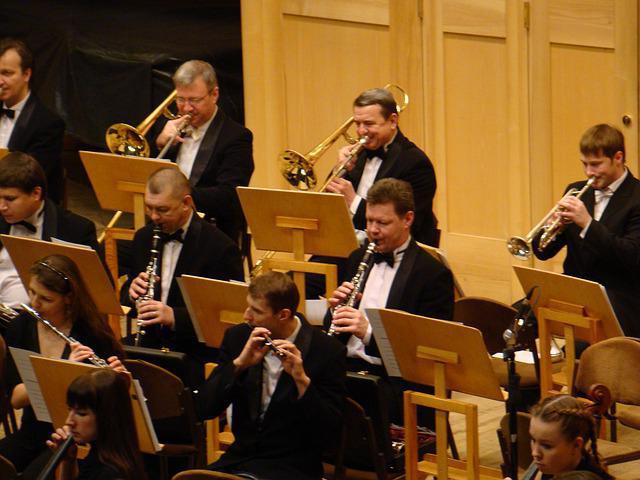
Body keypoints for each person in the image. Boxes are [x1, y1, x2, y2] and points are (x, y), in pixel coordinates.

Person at [325, 178, 453, 428]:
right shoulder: (357, 258)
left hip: (392, 381)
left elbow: (425, 352)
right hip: (347, 369)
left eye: (382, 223)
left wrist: (369, 333)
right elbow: (338, 333)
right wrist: (335, 311)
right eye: (369, 221)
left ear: (407, 219)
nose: (372, 230)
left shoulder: (432, 275)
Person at [199, 271, 346, 480]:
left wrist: (302, 381)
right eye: (248, 306)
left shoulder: (327, 351)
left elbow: (329, 437)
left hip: (292, 466)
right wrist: (239, 364)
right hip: (239, 458)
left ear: (283, 314)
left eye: (256, 311)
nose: (246, 316)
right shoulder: (238, 337)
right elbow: (205, 408)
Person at [0, 254, 124, 479]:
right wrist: (59, 370)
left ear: (68, 298)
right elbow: (17, 398)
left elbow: (108, 403)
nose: (34, 304)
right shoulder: (21, 326)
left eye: (46, 299)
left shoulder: (92, 335)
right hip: (32, 431)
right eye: (32, 292)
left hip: (73, 438)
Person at [126, 167, 243, 381]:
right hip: (149, 346)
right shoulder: (143, 238)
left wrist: (174, 317)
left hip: (194, 354)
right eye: (149, 208)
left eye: (162, 210)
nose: (153, 217)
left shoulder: (220, 248)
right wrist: (131, 292)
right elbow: (127, 298)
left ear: (186, 204)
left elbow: (230, 320)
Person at [532, 124, 640, 338]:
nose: (589, 172)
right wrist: (552, 226)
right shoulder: (576, 190)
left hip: (617, 297)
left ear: (618, 158)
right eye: (584, 164)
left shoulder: (637, 197)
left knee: (585, 347)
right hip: (575, 290)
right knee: (516, 320)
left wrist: (588, 225)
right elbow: (543, 252)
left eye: (596, 164)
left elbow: (632, 256)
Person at [154, 59, 254, 243]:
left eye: (194, 100)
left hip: (210, 233)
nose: (186, 108)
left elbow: (230, 196)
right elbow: (150, 181)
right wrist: (160, 144)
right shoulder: (169, 128)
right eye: (181, 99)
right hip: (163, 226)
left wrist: (177, 197)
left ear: (214, 94)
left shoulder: (236, 137)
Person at [325, 87, 438, 246]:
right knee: (291, 271)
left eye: (369, 124)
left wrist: (354, 202)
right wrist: (340, 170)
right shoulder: (359, 155)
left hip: (388, 252)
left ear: (392, 121)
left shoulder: (416, 163)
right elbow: (325, 206)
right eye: (357, 124)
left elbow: (404, 225)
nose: (361, 131)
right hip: (347, 245)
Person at [0, 151, 98, 308]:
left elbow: (97, 293)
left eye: (10, 199)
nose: (2, 207)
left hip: (35, 321)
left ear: (36, 193)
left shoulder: (76, 230)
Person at [46, 369, 147, 480]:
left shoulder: (112, 474)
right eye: (70, 410)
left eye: (81, 413)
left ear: (107, 417)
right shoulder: (96, 457)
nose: (69, 421)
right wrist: (68, 461)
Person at [0, 38, 65, 203]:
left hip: (20, 209)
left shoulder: (48, 123)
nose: (0, 81)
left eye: (7, 73)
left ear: (26, 74)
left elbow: (27, 181)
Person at [515, 394, 613, 480]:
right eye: (533, 440)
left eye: (547, 446)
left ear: (576, 445)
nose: (535, 453)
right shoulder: (551, 466)